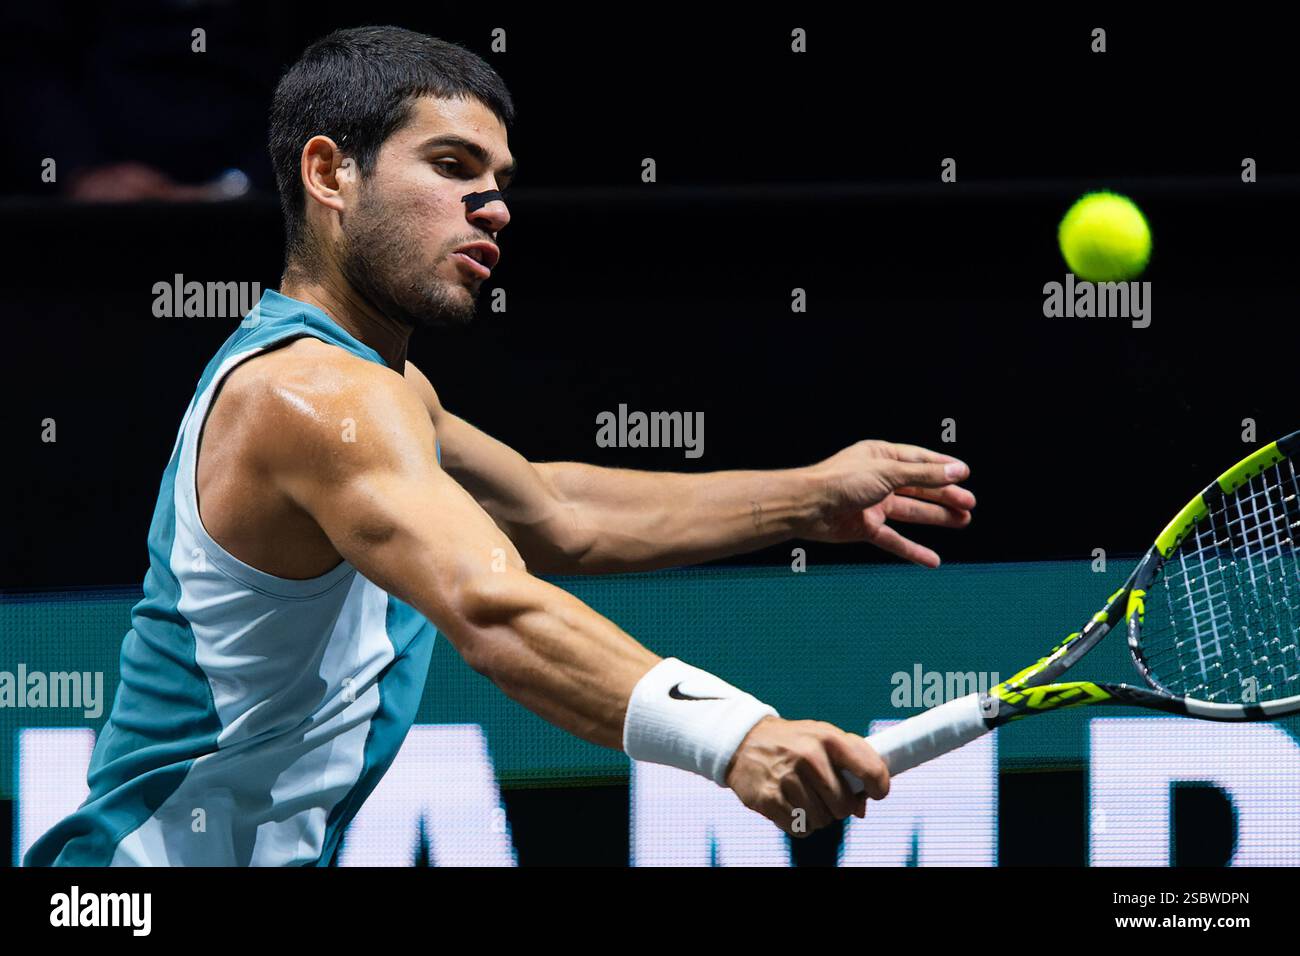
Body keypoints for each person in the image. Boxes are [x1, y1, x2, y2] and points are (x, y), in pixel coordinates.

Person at [26, 26, 975, 866]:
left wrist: (809, 497)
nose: (493, 206)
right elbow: (493, 605)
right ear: (329, 175)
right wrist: (740, 739)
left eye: (499, 181)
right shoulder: (308, 398)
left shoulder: (388, 392)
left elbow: (557, 517)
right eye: (450, 166)